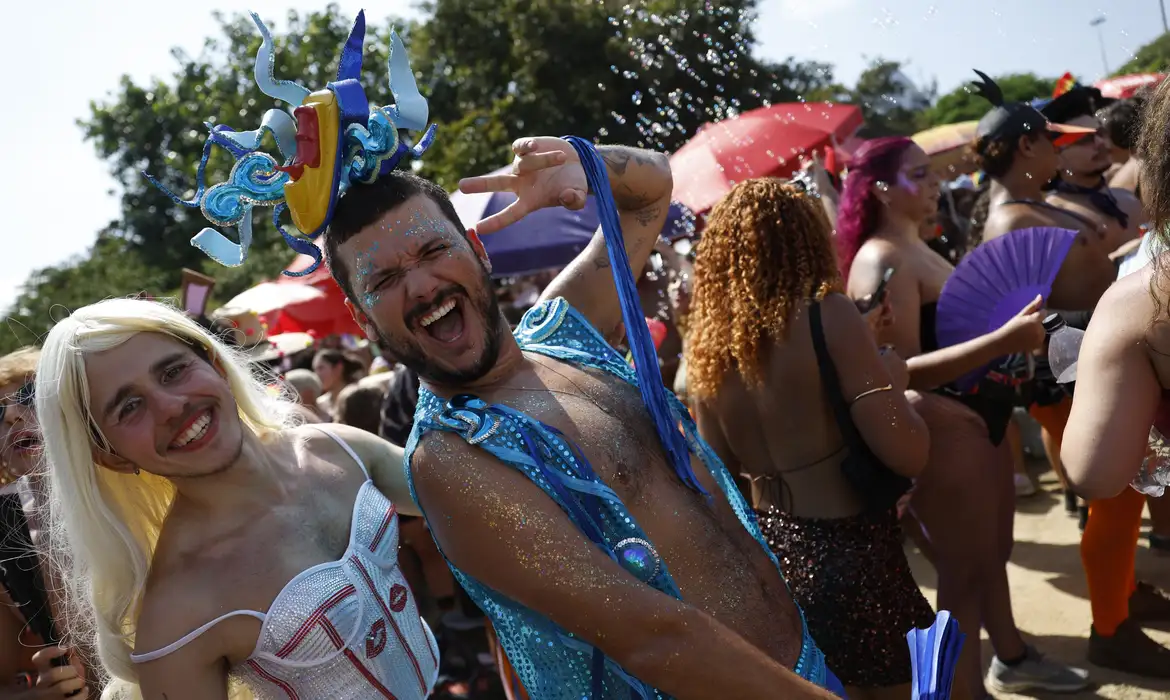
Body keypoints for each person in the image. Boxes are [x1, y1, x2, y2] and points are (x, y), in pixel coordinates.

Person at [323, 137, 844, 698]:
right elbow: (655, 640)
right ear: (363, 321)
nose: (421, 286)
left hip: (805, 665)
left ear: (477, 249)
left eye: (432, 251)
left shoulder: (565, 330)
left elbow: (650, 194)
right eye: (383, 281)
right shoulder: (454, 458)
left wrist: (585, 163)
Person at [34, 299, 438, 699]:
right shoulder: (177, 612)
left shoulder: (336, 447)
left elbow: (464, 498)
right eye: (130, 407)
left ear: (216, 364)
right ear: (109, 455)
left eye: (174, 371)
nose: (172, 407)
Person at [839, 136, 1090, 698]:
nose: (933, 184)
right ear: (881, 188)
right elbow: (897, 372)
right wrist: (1002, 338)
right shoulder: (881, 259)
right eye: (919, 175)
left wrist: (1008, 339)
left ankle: (1012, 657)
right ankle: (958, 692)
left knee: (987, 558)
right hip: (943, 421)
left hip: (982, 416)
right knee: (960, 573)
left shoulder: (918, 248)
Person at [685, 178, 934, 700]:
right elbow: (908, 450)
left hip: (773, 562)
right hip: (853, 555)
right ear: (806, 239)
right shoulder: (827, 312)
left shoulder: (707, 346)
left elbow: (720, 479)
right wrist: (890, 380)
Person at [1062, 76, 1170, 677]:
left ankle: (1121, 604)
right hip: (1116, 385)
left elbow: (1092, 469)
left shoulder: (1145, 296)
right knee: (1116, 518)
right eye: (1079, 138)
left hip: (1124, 378)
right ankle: (1114, 614)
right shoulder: (1040, 208)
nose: (1096, 145)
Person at [970, 71, 1109, 313]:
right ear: (1027, 146)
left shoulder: (1027, 208)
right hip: (1089, 346)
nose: (1057, 147)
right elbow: (1025, 324)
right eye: (1050, 138)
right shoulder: (1012, 222)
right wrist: (1096, 320)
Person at [0, 349, 92, 699]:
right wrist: (38, 694)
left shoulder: (150, 484)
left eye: (30, 396)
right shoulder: (7, 536)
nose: (11, 415)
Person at [312, 349, 365, 419]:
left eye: (321, 368)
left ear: (338, 368)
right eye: (315, 370)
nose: (317, 374)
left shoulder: (359, 396)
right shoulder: (321, 404)